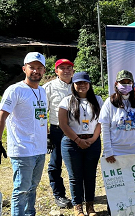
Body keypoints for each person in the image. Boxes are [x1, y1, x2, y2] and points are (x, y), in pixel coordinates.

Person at [0, 52, 48, 216]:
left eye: (39, 68)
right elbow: (1, 116)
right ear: (24, 69)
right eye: (32, 67)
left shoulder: (42, 92)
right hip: (22, 149)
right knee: (21, 190)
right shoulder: (15, 90)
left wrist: (48, 137)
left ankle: (29, 213)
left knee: (32, 187)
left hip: (39, 149)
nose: (36, 71)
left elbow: (41, 117)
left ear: (44, 71)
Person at [58, 72, 103, 216]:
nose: (82, 85)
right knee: (75, 176)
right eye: (78, 83)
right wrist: (78, 140)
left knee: (90, 175)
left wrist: (93, 139)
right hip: (71, 143)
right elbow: (63, 124)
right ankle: (78, 207)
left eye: (85, 83)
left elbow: (101, 122)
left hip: (92, 142)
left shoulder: (98, 100)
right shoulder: (66, 101)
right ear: (73, 85)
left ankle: (90, 206)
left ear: (89, 84)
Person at [98, 69, 135, 176]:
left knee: (133, 183)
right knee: (119, 184)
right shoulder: (109, 103)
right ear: (116, 84)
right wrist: (108, 151)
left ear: (133, 84)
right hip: (116, 151)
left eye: (128, 83)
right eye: (122, 83)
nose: (126, 85)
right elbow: (105, 129)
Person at [43, 58, 74, 209]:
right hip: (57, 130)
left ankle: (79, 194)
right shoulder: (48, 87)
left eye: (69, 68)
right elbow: (42, 113)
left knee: (78, 162)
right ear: (56, 71)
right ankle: (59, 195)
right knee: (55, 164)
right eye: (62, 68)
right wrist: (46, 135)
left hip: (77, 129)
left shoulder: (78, 85)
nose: (66, 70)